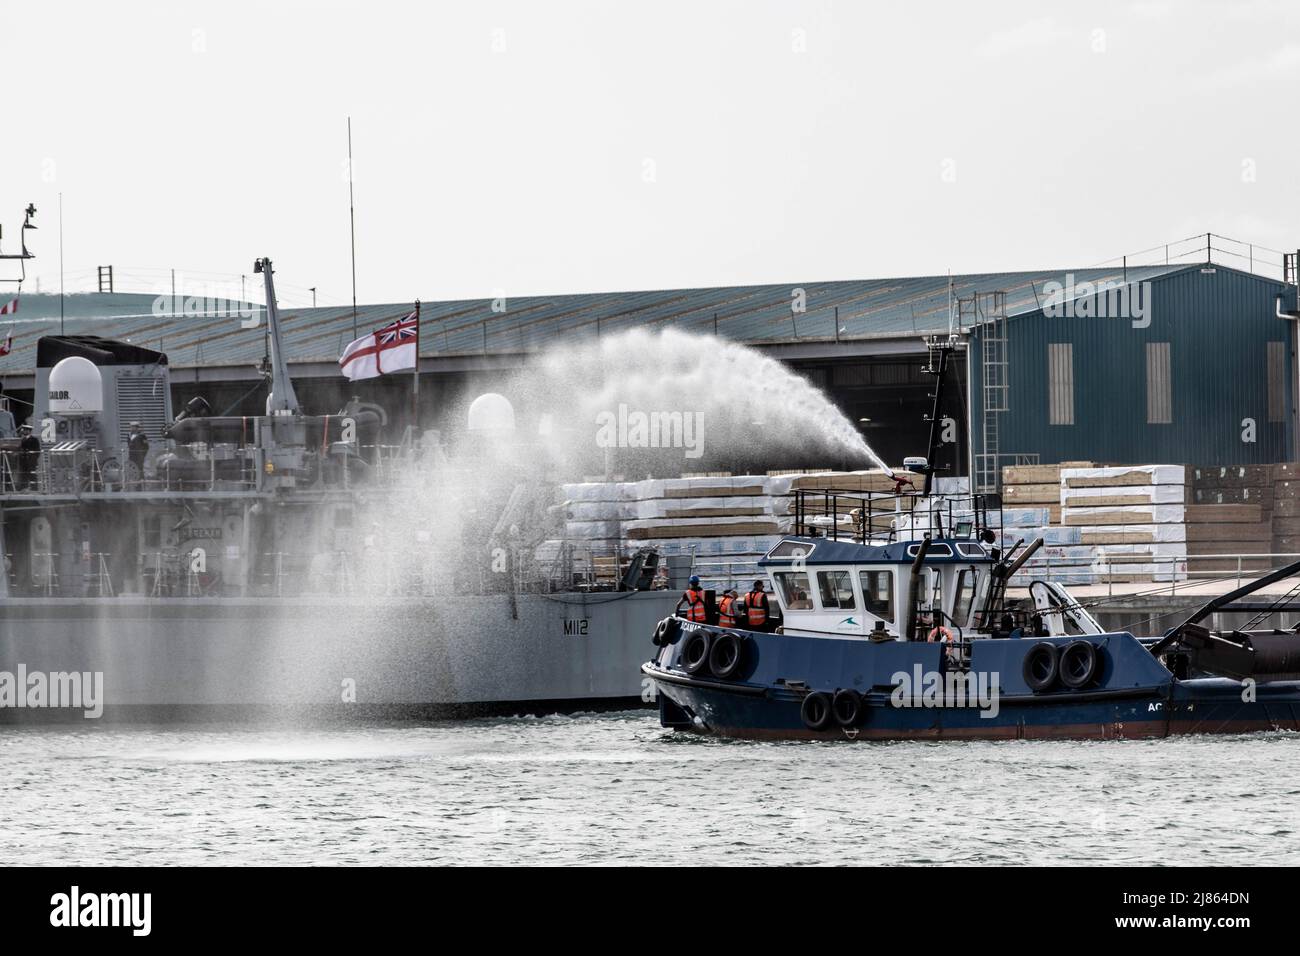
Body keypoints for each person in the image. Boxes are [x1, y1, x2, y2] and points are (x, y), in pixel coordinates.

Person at [17, 423, 40, 491]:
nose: (24, 431)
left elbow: (37, 450)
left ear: (29, 431)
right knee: (24, 474)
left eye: (25, 430)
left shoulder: (34, 439)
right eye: (24, 430)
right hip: (24, 461)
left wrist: (33, 459)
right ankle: (23, 487)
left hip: (31, 460)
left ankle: (34, 488)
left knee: (32, 474)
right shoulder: (23, 439)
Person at [126, 421, 149, 487]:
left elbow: (146, 446)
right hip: (131, 455)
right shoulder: (129, 435)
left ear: (136, 428)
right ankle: (133, 485)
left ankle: (141, 485)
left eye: (133, 427)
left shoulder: (142, 435)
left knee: (140, 470)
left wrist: (142, 455)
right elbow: (129, 444)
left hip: (139, 456)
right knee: (132, 469)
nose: (131, 428)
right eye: (130, 427)